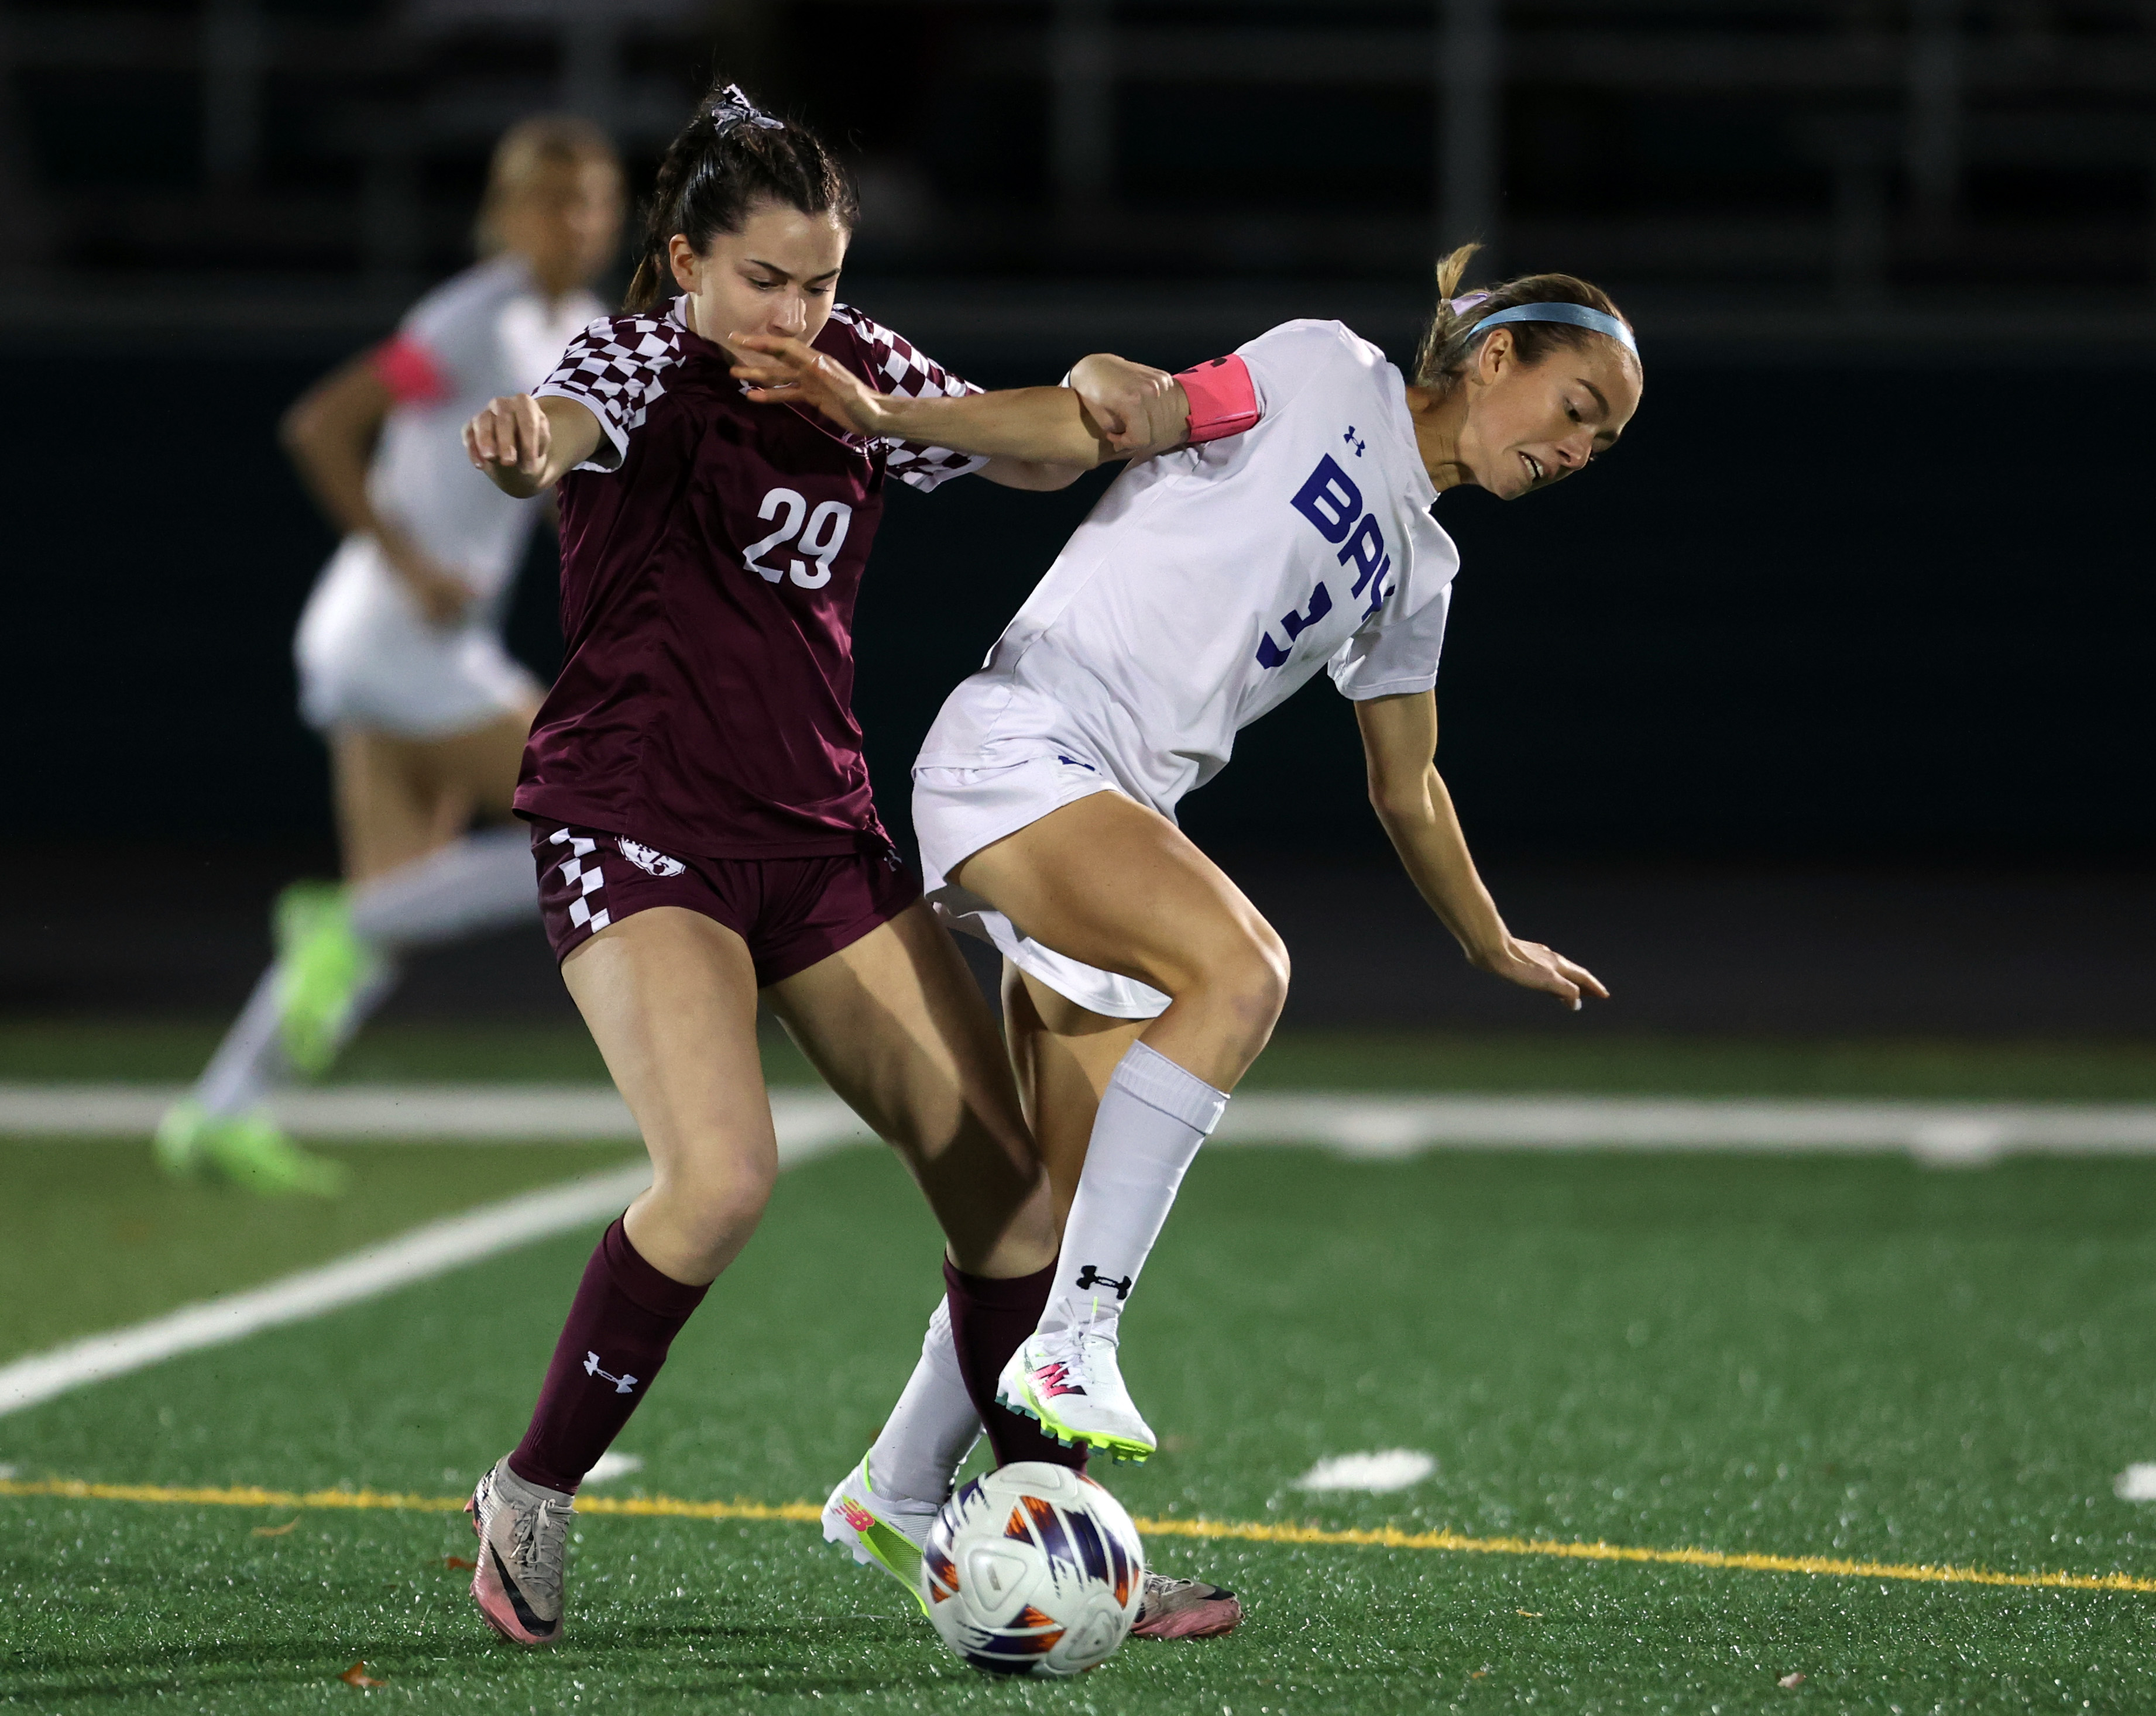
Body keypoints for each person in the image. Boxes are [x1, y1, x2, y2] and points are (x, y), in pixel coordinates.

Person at [730, 243, 1635, 1632]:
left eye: (1609, 438)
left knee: (1050, 1221)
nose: (1584, 448)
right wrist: (895, 417)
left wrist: (1488, 940)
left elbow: (1408, 785)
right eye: (1579, 406)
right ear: (1499, 358)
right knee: (1241, 970)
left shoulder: (1426, 566)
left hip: (1113, 812)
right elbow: (1121, 417)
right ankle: (1082, 1345)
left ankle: (907, 1489)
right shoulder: (1324, 366)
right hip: (1025, 746)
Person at [452, 82, 1237, 1650]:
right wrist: (526, 445)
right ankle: (531, 1489)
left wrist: (1029, 406)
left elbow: (1031, 453)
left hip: (813, 829)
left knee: (1010, 1199)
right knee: (724, 1175)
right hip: (637, 816)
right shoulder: (641, 357)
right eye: (766, 280)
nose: (799, 310)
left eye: (821, 278)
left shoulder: (856, 363)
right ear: (685, 263)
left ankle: (1070, 1540)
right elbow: (564, 428)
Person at [156, 116, 626, 1195]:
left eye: (597, 200)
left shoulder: (584, 327)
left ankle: (219, 1111)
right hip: (392, 632)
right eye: (556, 200)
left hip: (416, 645)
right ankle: (339, 917)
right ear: (507, 213)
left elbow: (559, 494)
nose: (580, 220)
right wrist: (409, 561)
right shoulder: (470, 318)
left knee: (400, 908)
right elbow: (322, 425)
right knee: (599, 815)